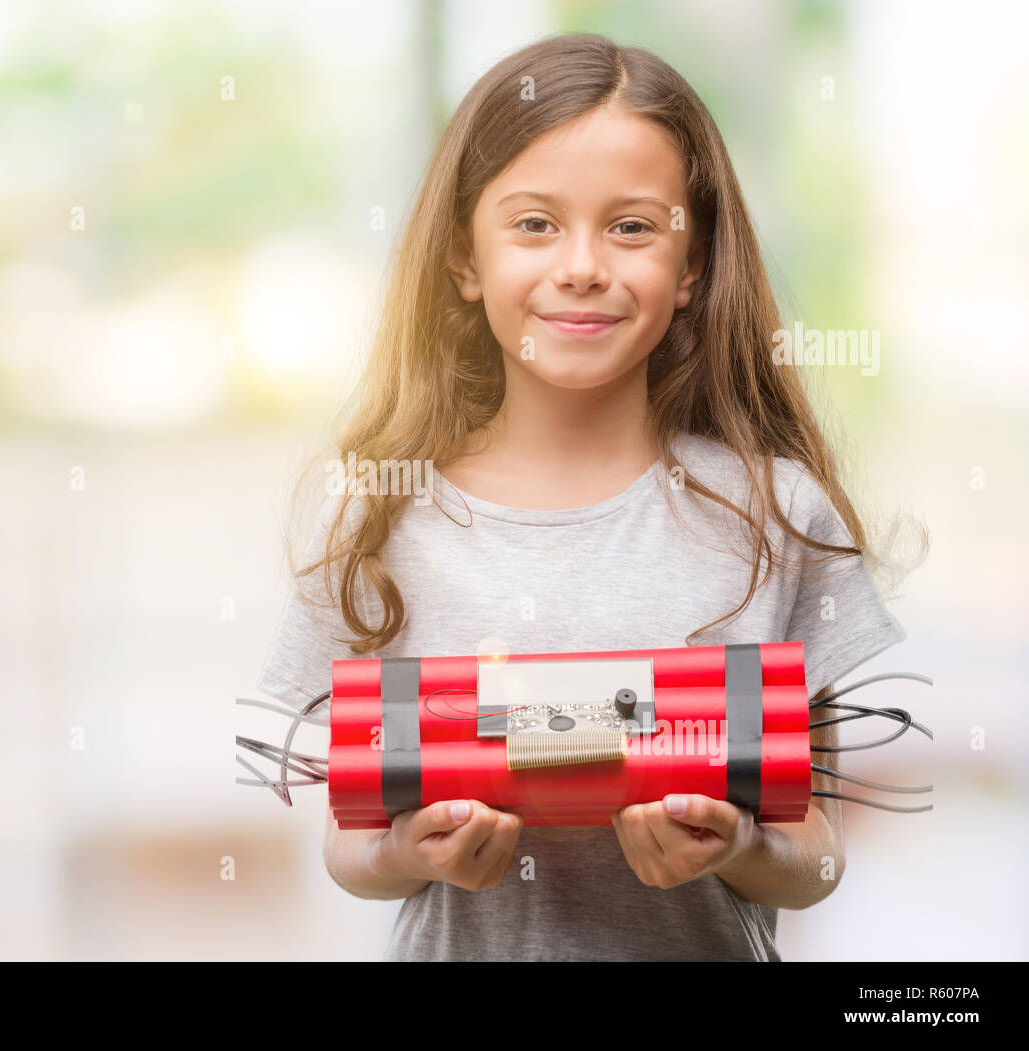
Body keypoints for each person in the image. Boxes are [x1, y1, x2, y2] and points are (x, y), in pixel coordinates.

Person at [255, 33, 922, 961]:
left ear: (692, 267)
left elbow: (816, 859)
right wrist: (415, 849)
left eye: (634, 227)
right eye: (534, 225)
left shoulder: (780, 512)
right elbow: (351, 846)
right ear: (464, 259)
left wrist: (741, 844)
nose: (581, 266)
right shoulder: (378, 518)